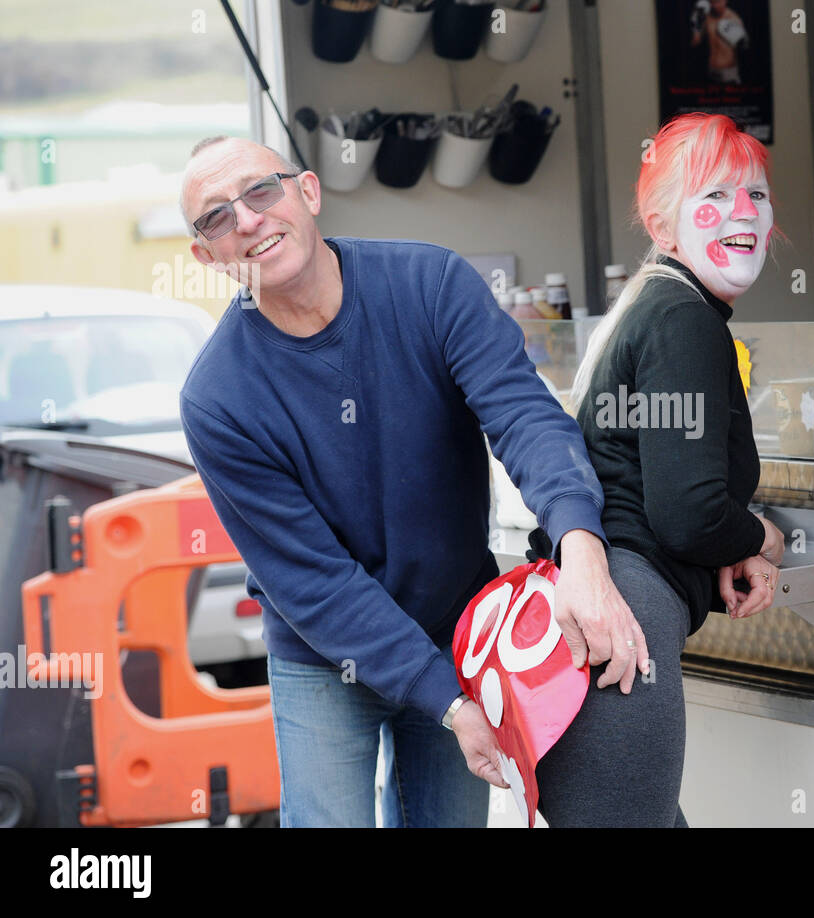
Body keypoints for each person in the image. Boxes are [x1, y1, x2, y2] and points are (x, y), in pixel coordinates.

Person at [176, 137, 649, 827]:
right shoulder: (218, 398)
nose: (246, 220)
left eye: (260, 191)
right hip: (323, 654)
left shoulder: (429, 287)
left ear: (308, 192)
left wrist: (581, 548)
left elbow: (524, 417)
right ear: (206, 256)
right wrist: (450, 704)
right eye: (216, 218)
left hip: (455, 628)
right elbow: (317, 584)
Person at [534, 113, 783, 827]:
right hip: (625, 625)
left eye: (757, 196)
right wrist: (761, 539)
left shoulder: (656, 301)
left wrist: (726, 546)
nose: (742, 212)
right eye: (715, 195)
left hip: (604, 616)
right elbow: (689, 511)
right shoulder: (683, 317)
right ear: (662, 222)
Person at [690, 0, 748, 84]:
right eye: (712, 2)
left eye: (718, 2)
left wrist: (740, 40)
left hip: (728, 73)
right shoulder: (707, 18)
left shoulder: (734, 19)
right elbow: (696, 42)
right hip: (711, 71)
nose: (714, 6)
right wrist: (695, 25)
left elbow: (745, 51)